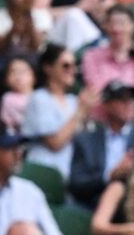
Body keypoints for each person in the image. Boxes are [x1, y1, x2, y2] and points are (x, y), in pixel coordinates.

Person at [68, 80, 134, 209]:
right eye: (122, 100)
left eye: (132, 99)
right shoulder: (86, 140)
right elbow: (76, 183)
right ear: (107, 105)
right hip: (95, 203)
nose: (129, 104)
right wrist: (109, 176)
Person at [22, 43, 91, 177]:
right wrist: (80, 111)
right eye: (66, 65)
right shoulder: (39, 99)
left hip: (70, 174)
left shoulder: (73, 100)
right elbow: (55, 143)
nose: (72, 70)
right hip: (44, 173)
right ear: (48, 68)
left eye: (74, 65)